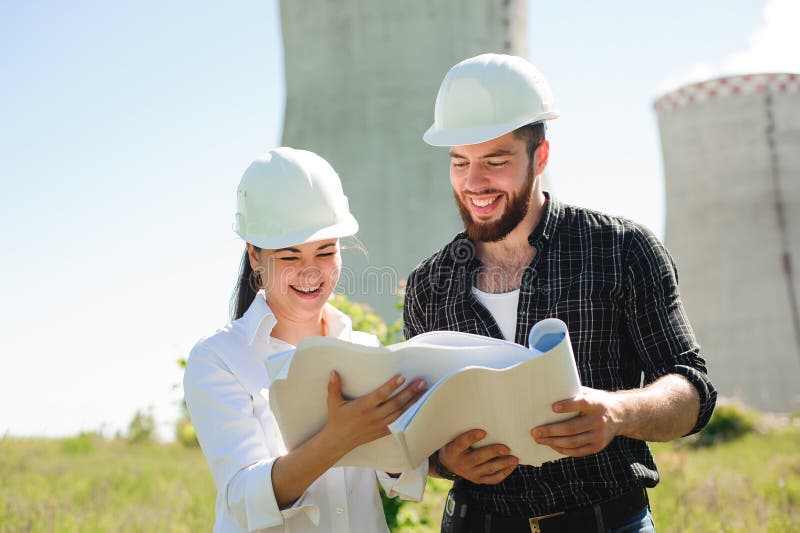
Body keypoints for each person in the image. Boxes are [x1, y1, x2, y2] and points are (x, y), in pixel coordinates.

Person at [404, 54, 717, 532]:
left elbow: (693, 390)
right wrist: (445, 459)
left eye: (495, 161)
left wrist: (617, 413)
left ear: (541, 157)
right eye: (460, 162)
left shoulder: (622, 249)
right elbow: (413, 436)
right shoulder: (429, 284)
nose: (474, 183)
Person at [184, 147, 428, 533]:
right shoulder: (219, 359)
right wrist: (339, 438)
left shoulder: (365, 350)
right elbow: (245, 501)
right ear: (254, 256)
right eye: (290, 257)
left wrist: (397, 439)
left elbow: (405, 481)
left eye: (325, 252)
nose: (311, 272)